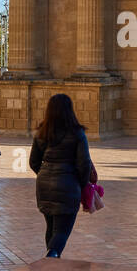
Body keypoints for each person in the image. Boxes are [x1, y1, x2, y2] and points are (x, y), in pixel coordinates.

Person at [28, 93, 94, 258]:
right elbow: (84, 163)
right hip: (68, 185)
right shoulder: (78, 134)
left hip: (44, 185)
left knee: (51, 228)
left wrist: (45, 173)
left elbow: (33, 161)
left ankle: (52, 264)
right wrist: (80, 182)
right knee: (62, 230)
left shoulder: (41, 132)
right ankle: (51, 257)